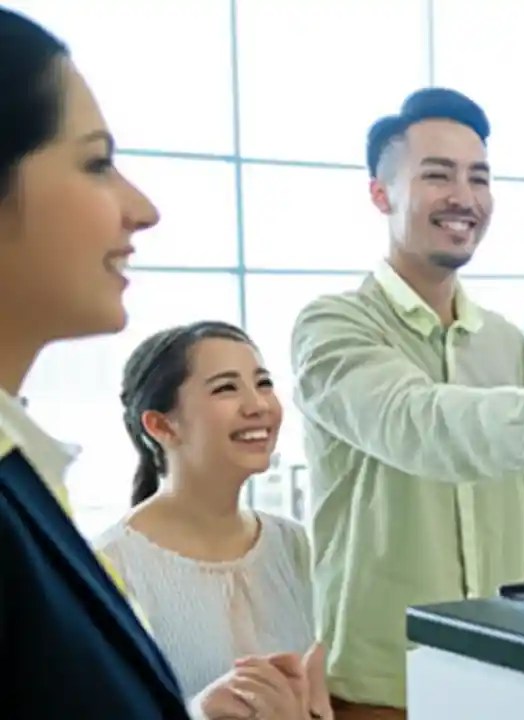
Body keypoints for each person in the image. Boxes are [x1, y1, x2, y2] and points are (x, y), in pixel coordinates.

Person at [290, 87, 524, 717]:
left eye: (479, 178)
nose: (464, 197)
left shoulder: (503, 341)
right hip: (383, 687)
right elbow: (421, 424)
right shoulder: (332, 328)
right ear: (380, 194)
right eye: (437, 175)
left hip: (500, 677)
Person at [0, 7, 319, 719]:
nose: (142, 209)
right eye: (95, 162)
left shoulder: (28, 489)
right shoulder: (89, 543)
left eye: (262, 383)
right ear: (159, 424)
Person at [95, 320, 333, 719]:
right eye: (226, 388)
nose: (257, 405)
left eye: (263, 383)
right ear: (161, 425)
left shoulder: (295, 545)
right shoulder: (111, 566)